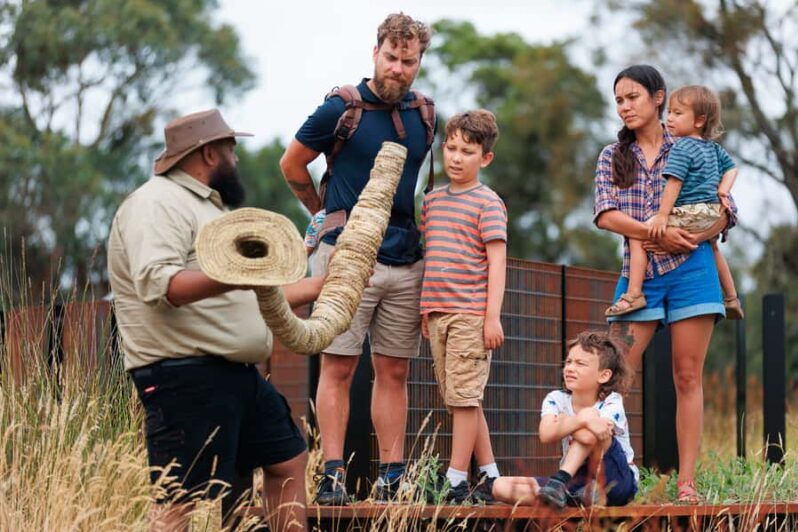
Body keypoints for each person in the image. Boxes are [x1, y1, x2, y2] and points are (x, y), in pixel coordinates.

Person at [108, 109, 323, 531]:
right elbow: (160, 283)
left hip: (234, 375)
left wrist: (325, 285)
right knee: (180, 497)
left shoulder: (209, 210)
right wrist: (239, 271)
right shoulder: (157, 203)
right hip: (184, 374)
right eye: (231, 149)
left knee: (288, 459)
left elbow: (254, 294)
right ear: (209, 153)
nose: (236, 158)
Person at [280, 13, 434, 504]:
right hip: (345, 258)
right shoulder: (340, 108)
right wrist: (323, 214)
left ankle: (392, 478)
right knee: (338, 367)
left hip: (407, 259)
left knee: (394, 372)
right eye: (391, 58)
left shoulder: (425, 115)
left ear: (418, 63)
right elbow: (292, 164)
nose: (398, 69)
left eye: (409, 62)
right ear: (375, 54)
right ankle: (332, 477)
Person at [593, 65, 737, 504]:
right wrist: (655, 232)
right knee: (609, 375)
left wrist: (696, 230)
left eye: (632, 97)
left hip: (693, 271)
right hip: (639, 275)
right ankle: (606, 478)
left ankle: (687, 485)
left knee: (687, 375)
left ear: (659, 98)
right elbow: (605, 215)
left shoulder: (694, 145)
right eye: (618, 100)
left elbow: (725, 209)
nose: (624, 106)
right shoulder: (611, 156)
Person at [419, 110, 506, 503]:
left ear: (485, 158)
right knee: (461, 396)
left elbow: (497, 262)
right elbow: (432, 255)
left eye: (467, 151)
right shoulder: (432, 201)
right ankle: (489, 474)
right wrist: (426, 310)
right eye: (450, 148)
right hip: (437, 314)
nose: (455, 157)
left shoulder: (488, 203)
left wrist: (491, 317)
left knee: (464, 398)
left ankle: (456, 480)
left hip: (471, 313)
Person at [606, 84, 743, 320]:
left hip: (688, 220)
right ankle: (731, 297)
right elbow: (732, 171)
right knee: (713, 246)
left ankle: (634, 293)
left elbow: (674, 184)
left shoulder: (681, 147)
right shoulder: (713, 148)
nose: (670, 118)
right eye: (619, 100)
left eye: (677, 113)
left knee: (637, 232)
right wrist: (723, 191)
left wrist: (660, 217)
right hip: (709, 212)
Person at [491, 331, 637, 508]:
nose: (570, 368)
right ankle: (570, 498)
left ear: (603, 375)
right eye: (568, 362)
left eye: (580, 364)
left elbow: (591, 436)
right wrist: (582, 419)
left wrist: (563, 422)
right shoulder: (556, 398)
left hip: (616, 481)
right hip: (578, 480)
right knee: (500, 486)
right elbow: (546, 434)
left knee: (592, 431)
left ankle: (560, 482)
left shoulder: (612, 401)